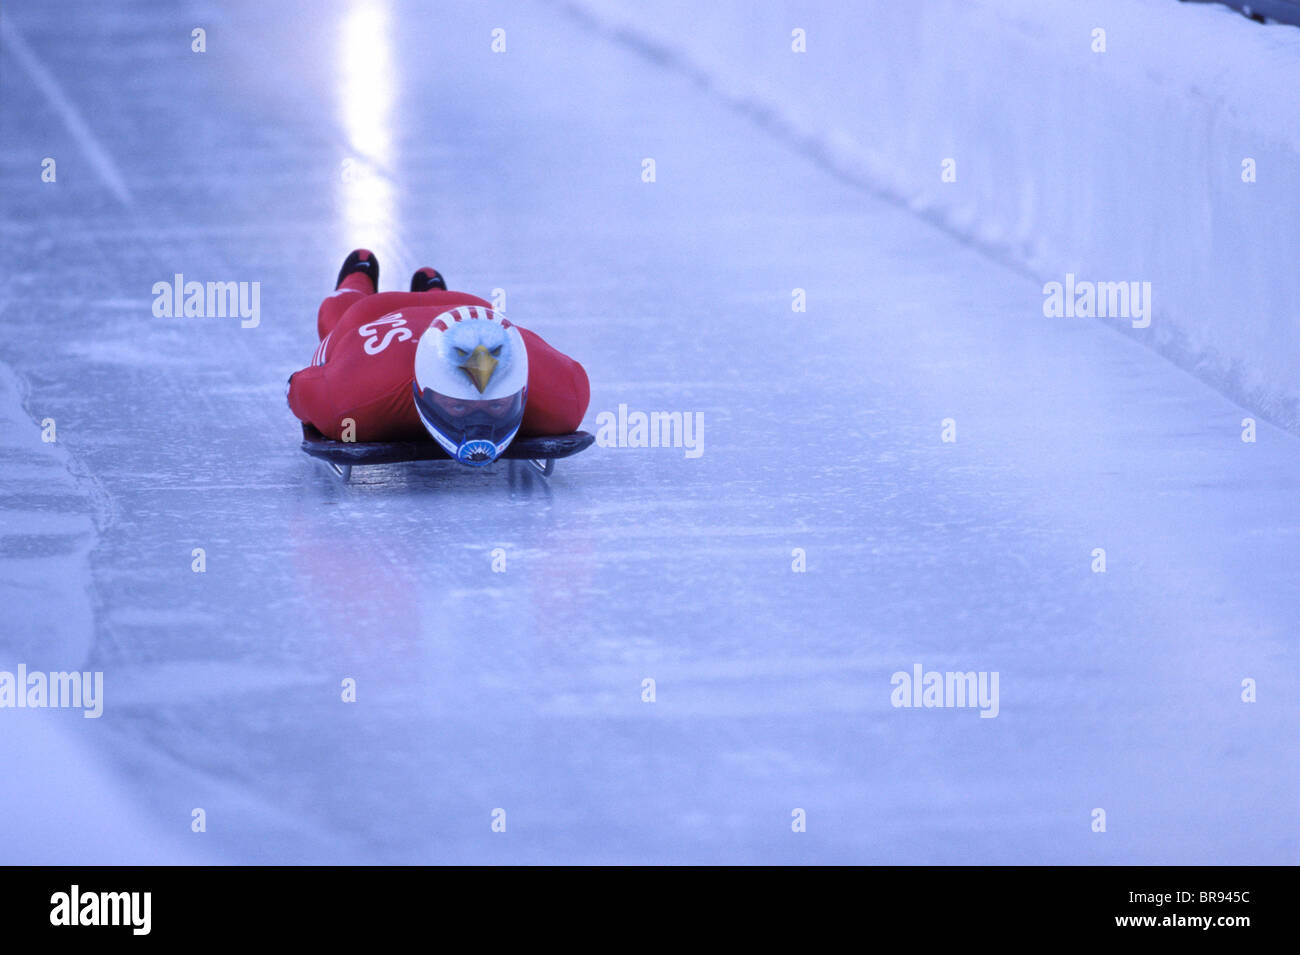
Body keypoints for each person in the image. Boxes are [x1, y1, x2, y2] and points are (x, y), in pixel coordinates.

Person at [287, 250, 590, 466]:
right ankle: (358, 277)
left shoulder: (561, 396)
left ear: (522, 387)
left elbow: (300, 388)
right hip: (376, 315)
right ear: (422, 389)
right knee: (335, 319)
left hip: (465, 309)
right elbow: (302, 387)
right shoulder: (353, 399)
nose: (479, 426)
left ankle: (430, 287)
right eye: (459, 406)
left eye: (497, 405)